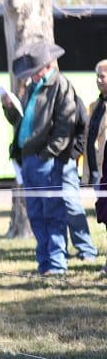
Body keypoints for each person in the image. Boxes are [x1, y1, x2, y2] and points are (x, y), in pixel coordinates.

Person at [1, 41, 81, 276]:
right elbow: (21, 121)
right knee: (35, 213)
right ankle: (44, 262)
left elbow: (66, 126)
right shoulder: (32, 87)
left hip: (46, 160)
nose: (30, 75)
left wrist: (48, 154)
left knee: (53, 212)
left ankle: (56, 264)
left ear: (46, 67)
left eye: (33, 70)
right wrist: (9, 107)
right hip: (28, 159)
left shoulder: (61, 86)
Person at [85, 60, 107, 273]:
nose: (99, 80)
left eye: (103, 76)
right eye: (97, 76)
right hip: (100, 171)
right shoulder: (95, 106)